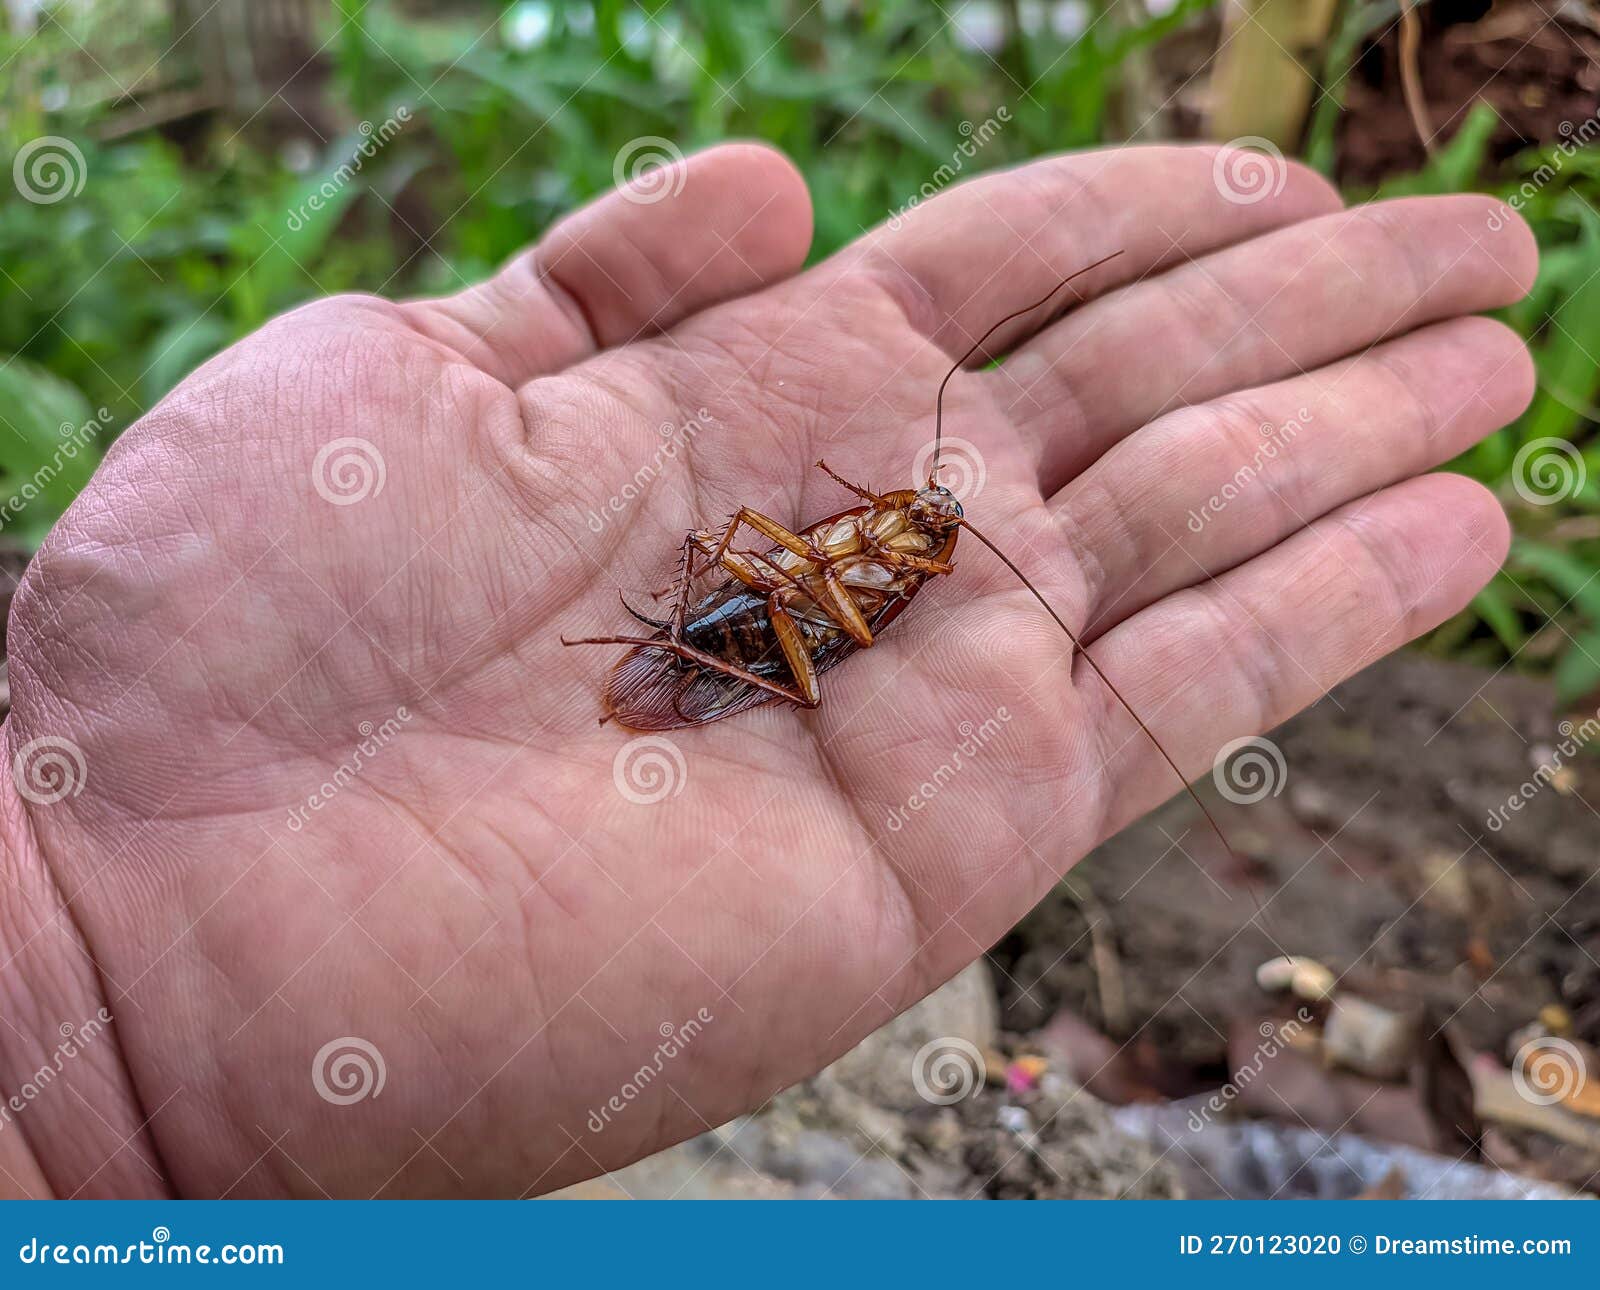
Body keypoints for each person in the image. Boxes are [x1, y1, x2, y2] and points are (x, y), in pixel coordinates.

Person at [0, 143, 1534, 1197]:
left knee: (796, 603)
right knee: (781, 589)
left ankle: (696, 642)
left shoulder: (895, 565)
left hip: (779, 626)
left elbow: (847, 595)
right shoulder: (886, 535)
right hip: (763, 615)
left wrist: (88, 1048)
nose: (920, 525)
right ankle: (693, 640)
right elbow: (826, 561)